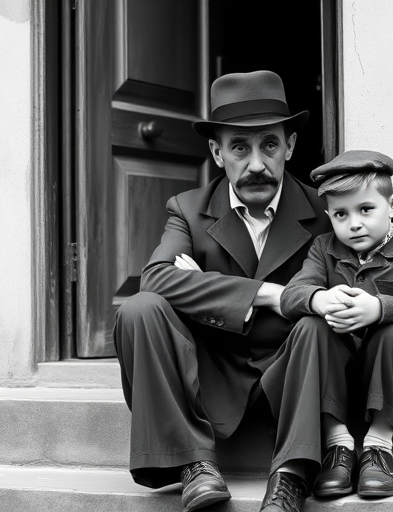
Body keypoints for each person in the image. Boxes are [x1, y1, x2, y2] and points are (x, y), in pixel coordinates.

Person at [114, 70, 348, 512]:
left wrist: (202, 285)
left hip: (296, 369)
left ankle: (291, 479)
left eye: (270, 146)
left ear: (291, 147)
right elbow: (158, 278)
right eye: (240, 147)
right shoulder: (187, 208)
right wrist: (272, 295)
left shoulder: (325, 210)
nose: (256, 164)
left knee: (317, 327)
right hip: (212, 373)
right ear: (217, 152)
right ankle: (194, 465)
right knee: (140, 309)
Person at [279, 150, 393, 498]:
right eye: (341, 214)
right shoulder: (323, 249)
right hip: (345, 373)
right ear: (329, 216)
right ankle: (338, 445)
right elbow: (290, 295)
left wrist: (379, 308)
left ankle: (378, 447)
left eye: (365, 210)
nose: (353, 223)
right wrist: (318, 299)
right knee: (311, 326)